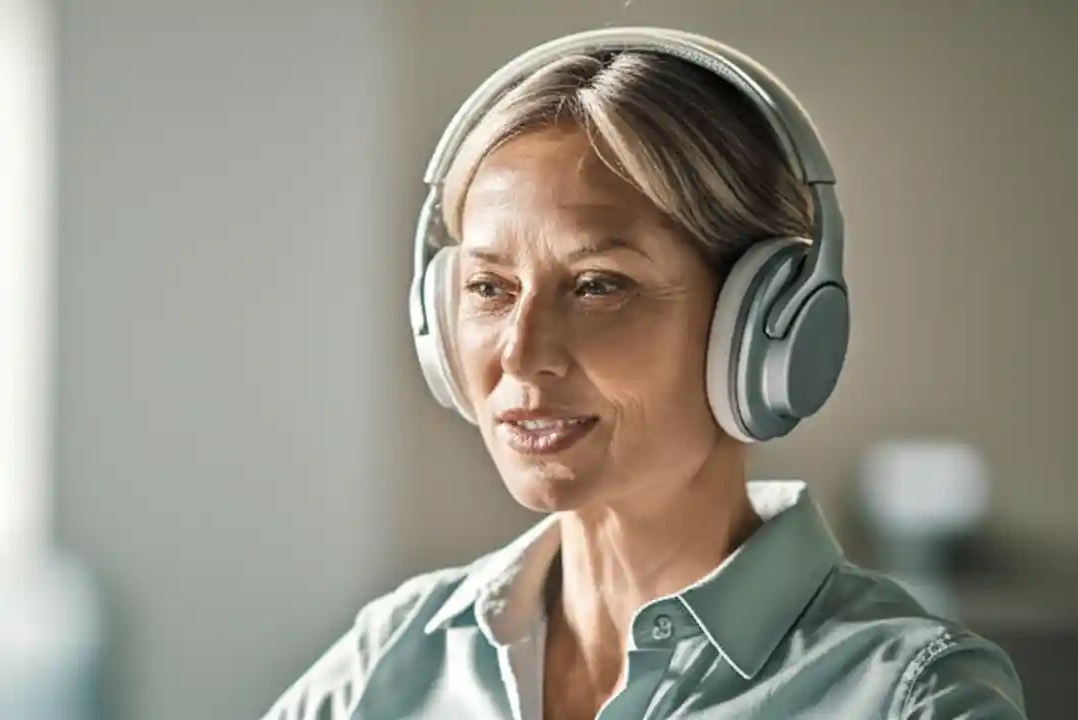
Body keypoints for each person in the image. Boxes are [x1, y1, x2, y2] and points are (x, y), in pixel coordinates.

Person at [262, 28, 1026, 720]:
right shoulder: (392, 659)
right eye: (490, 289)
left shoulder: (912, 696)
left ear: (765, 322)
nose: (523, 354)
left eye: (598, 285)